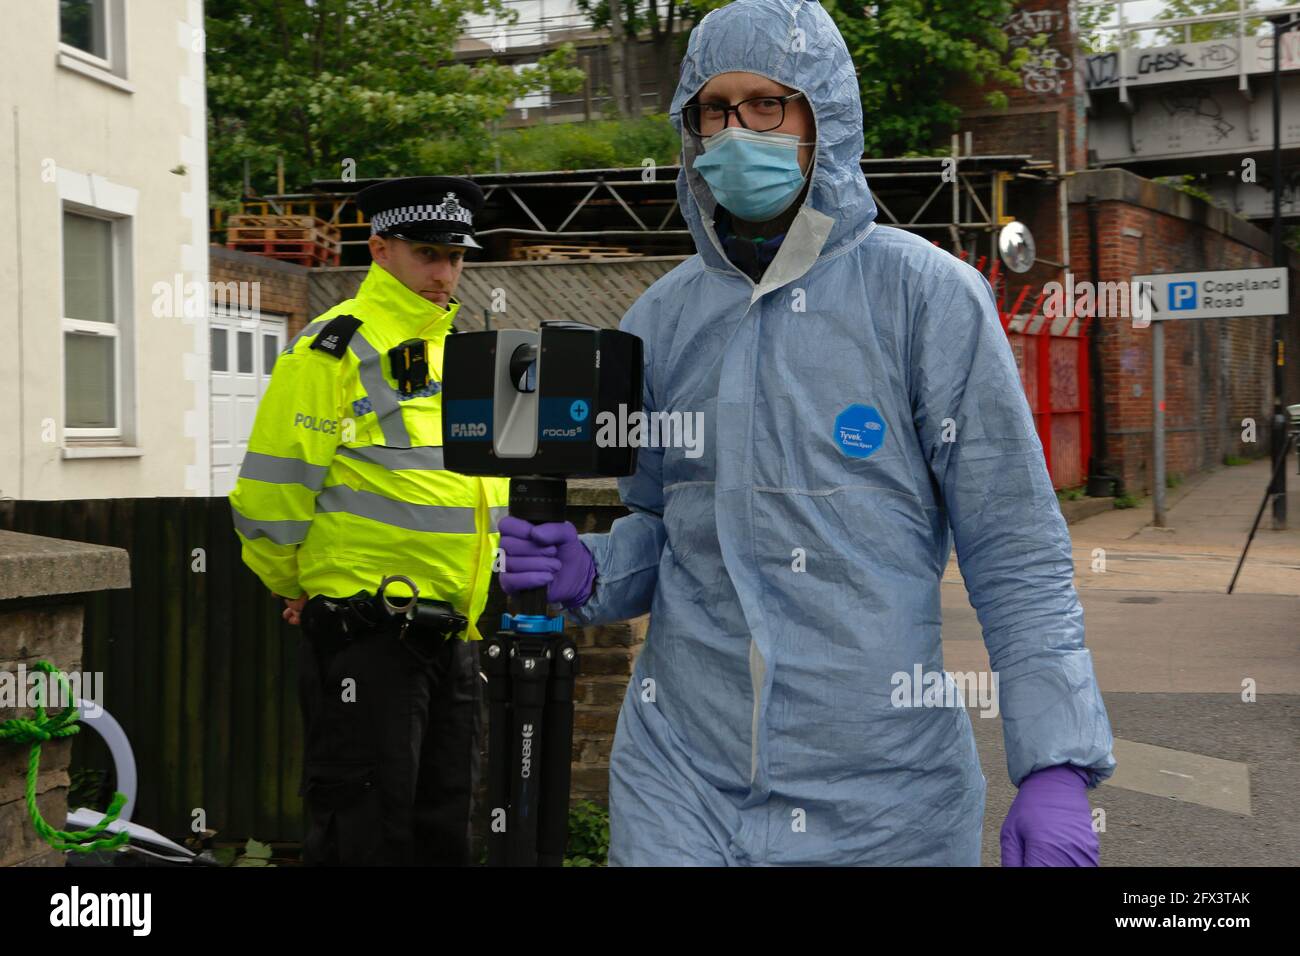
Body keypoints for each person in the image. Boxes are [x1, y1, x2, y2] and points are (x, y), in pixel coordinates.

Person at [498, 0, 1115, 866]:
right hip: (683, 783)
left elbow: (1013, 546)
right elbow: (659, 522)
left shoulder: (923, 298)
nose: (736, 130)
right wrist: (589, 568)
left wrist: (1054, 762)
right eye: (714, 109)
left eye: (766, 104)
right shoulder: (662, 319)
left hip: (882, 800)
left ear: (824, 117)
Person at [229, 176, 509, 866]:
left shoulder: (456, 354)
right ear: (381, 250)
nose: (445, 272)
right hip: (370, 633)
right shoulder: (333, 348)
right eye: (428, 254)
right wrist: (294, 582)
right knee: (365, 835)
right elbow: (273, 489)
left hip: (454, 634)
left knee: (442, 834)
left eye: (456, 256)